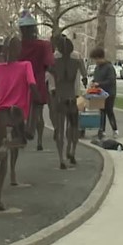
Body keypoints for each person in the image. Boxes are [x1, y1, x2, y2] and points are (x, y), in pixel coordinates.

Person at [0, 36, 35, 211]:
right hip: (16, 115)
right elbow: (32, 86)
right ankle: (21, 138)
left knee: (2, 158)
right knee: (18, 142)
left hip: (0, 116)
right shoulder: (26, 66)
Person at [17, 11, 54, 151]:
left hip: (19, 85)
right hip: (37, 83)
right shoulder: (44, 46)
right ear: (34, 29)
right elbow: (49, 64)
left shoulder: (16, 45)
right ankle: (35, 136)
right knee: (37, 112)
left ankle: (24, 130)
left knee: (20, 111)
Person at [48, 36, 83, 169]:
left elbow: (50, 76)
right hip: (74, 96)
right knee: (74, 125)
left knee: (60, 128)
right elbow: (83, 75)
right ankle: (71, 150)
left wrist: (52, 89)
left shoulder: (54, 59)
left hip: (60, 97)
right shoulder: (77, 58)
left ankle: (61, 158)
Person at [89, 47, 119, 140]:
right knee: (101, 112)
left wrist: (99, 83)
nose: (95, 61)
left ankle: (115, 130)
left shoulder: (109, 67)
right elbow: (96, 77)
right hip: (99, 93)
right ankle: (101, 131)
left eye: (96, 59)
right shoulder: (97, 68)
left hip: (109, 93)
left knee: (109, 111)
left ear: (100, 57)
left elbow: (111, 80)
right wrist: (93, 82)